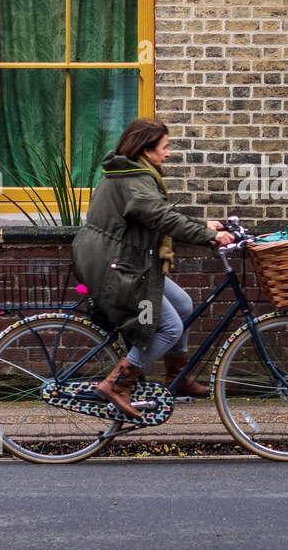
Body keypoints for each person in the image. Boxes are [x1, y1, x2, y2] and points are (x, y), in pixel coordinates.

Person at [71, 117, 233, 420]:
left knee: (183, 305)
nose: (168, 153)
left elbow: (157, 214)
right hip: (116, 267)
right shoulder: (134, 179)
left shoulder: (136, 174)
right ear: (146, 149)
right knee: (168, 327)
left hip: (126, 260)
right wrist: (209, 236)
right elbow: (162, 218)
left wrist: (202, 225)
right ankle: (117, 383)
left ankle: (177, 377)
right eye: (165, 147)